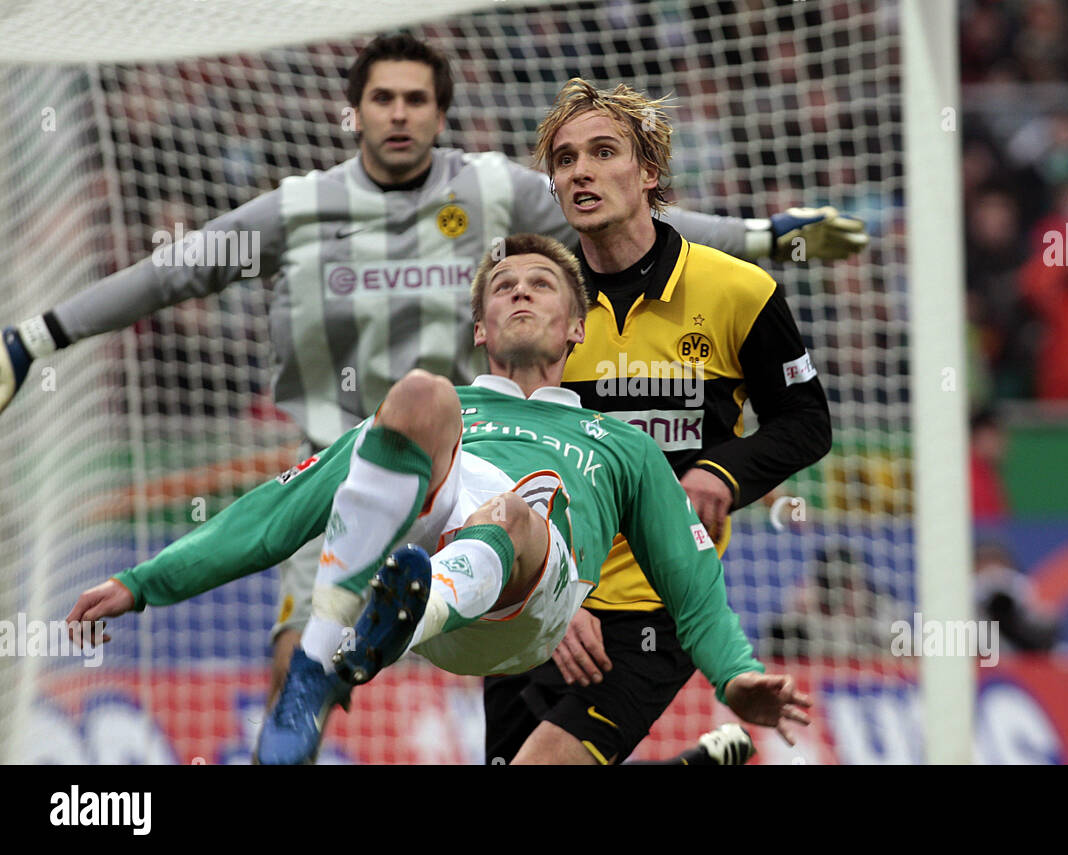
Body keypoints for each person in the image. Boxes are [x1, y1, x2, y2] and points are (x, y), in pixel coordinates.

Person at [0, 34, 867, 709]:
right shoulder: (302, 208)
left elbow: (640, 218)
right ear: (355, 111)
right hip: (374, 466)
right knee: (296, 677)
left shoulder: (497, 192)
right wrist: (35, 337)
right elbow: (179, 268)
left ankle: (429, 606)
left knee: (513, 517)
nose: (401, 115)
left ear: (441, 112)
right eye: (383, 99)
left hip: (488, 474)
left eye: (418, 100)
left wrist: (769, 235)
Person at [66, 233, 813, 765]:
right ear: (482, 328)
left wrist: (735, 673)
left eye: (542, 283)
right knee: (419, 394)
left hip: (531, 611)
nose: (521, 288)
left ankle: (384, 624)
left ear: (576, 328)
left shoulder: (621, 446)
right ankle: (323, 664)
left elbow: (691, 580)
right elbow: (278, 510)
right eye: (503, 286)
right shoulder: (443, 410)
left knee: (513, 513)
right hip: (435, 586)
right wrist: (142, 582)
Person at [478, 79, 832, 766]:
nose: (580, 170)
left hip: (655, 604)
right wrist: (545, 595)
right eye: (564, 159)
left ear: (650, 172)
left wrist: (723, 473)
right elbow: (506, 459)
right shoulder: (540, 304)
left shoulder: (738, 291)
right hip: (539, 597)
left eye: (603, 152)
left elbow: (806, 422)